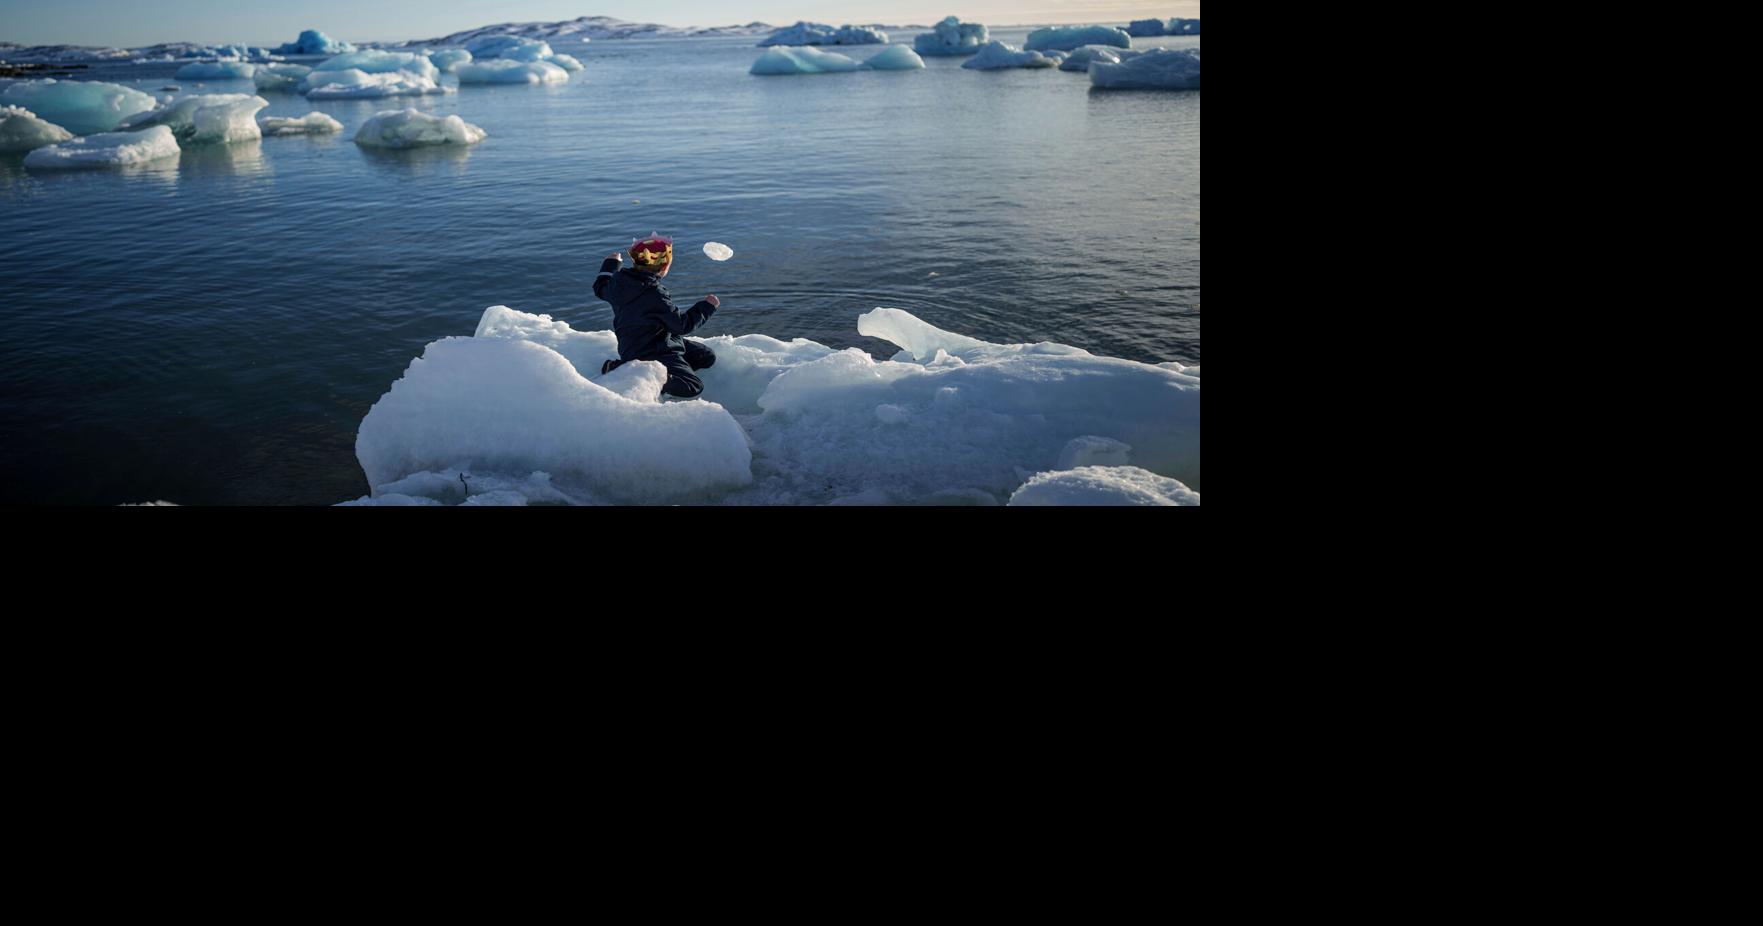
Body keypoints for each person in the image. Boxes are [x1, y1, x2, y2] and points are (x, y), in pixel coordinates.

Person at [592, 233, 721, 399]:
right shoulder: (654, 294)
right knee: (693, 386)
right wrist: (707, 307)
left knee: (706, 356)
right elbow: (682, 325)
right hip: (652, 351)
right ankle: (640, 373)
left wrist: (611, 263)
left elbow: (600, 287)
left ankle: (668, 371)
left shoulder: (618, 284)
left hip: (648, 342)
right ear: (664, 267)